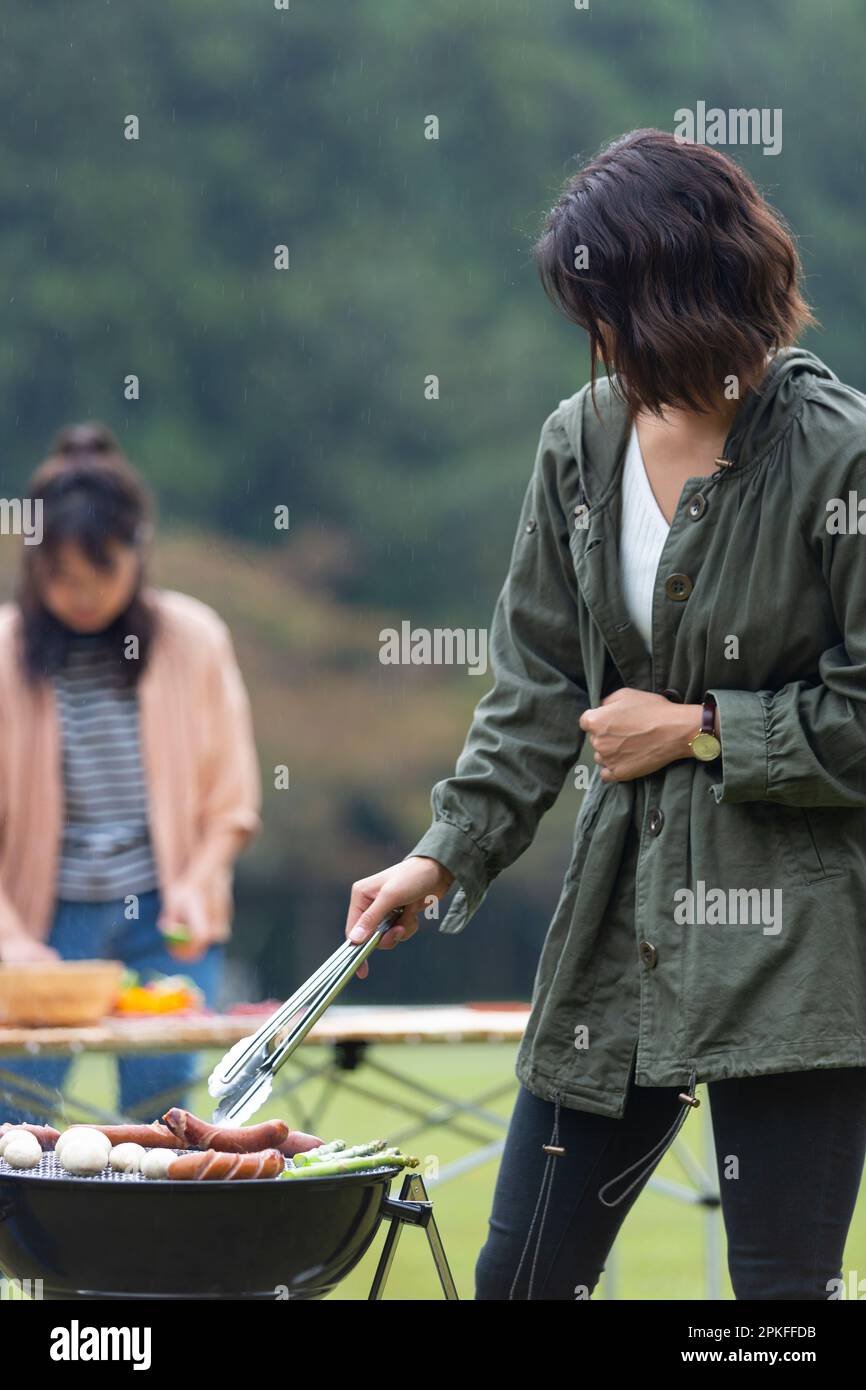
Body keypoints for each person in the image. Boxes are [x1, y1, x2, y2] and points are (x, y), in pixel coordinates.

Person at [343, 129, 866, 1300]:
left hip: (796, 950)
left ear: (690, 293)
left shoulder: (840, 457)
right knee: (520, 1280)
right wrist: (439, 856)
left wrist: (700, 729)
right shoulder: (576, 443)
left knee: (779, 1307)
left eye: (614, 309)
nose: (599, 342)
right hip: (616, 933)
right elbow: (534, 686)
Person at [0, 423, 261, 1121]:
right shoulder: (4, 650)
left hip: (164, 918)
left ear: (136, 551)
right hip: (42, 920)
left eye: (101, 573)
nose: (81, 595)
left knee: (164, 1113)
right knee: (15, 1115)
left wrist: (199, 883)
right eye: (61, 579)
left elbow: (232, 798)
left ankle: (153, 1237)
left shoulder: (194, 638)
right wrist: (11, 938)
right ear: (36, 568)